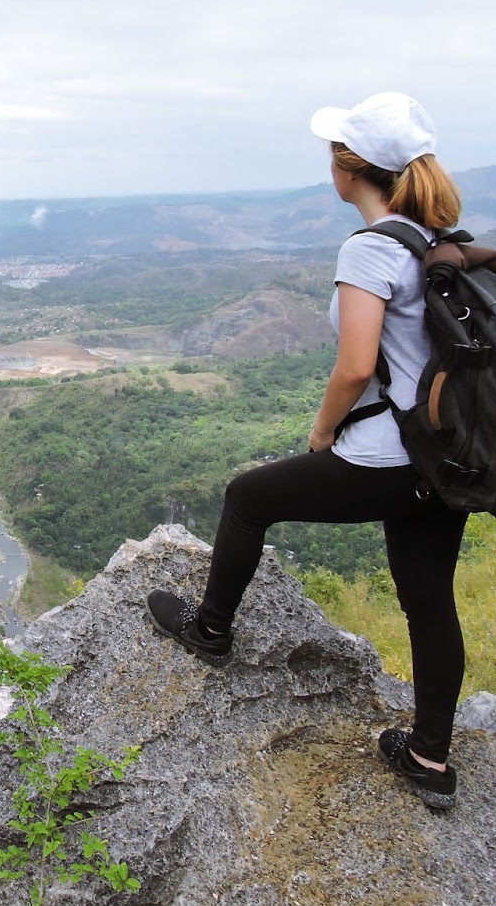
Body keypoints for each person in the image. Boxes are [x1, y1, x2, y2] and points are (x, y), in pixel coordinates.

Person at [146, 91, 467, 810]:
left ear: (350, 168)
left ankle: (211, 631)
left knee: (247, 497)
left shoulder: (371, 248)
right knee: (428, 600)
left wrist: (324, 433)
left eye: (334, 152)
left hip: (389, 457)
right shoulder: (441, 242)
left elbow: (356, 366)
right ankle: (429, 760)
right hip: (446, 459)